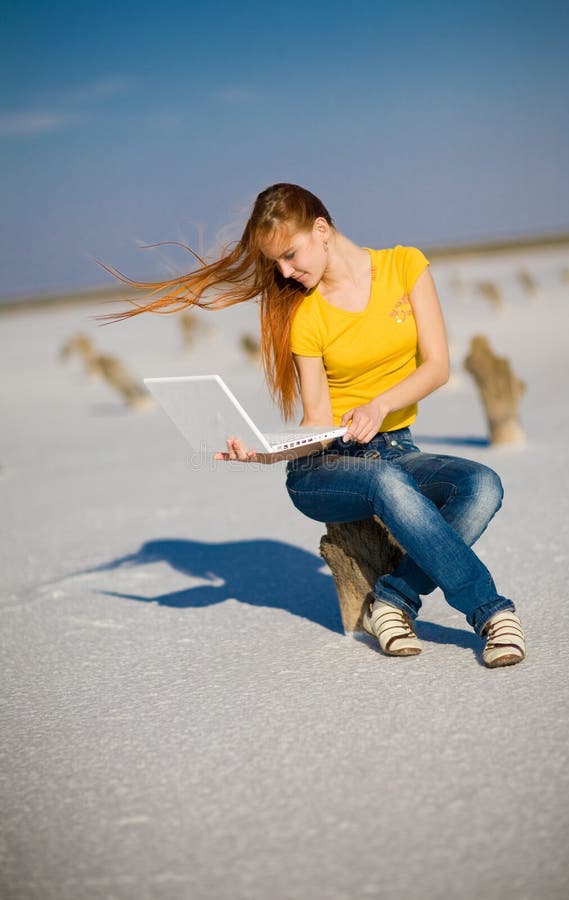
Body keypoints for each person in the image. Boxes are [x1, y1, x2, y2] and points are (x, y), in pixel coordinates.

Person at [105, 182, 526, 668]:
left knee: (482, 484)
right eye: (276, 264)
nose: (285, 272)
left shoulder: (404, 265)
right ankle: (491, 613)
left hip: (396, 446)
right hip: (324, 467)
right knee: (384, 480)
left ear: (321, 230)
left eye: (289, 254)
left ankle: (391, 601)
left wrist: (378, 406)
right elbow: (317, 421)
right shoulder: (306, 315)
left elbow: (437, 366)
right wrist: (265, 453)